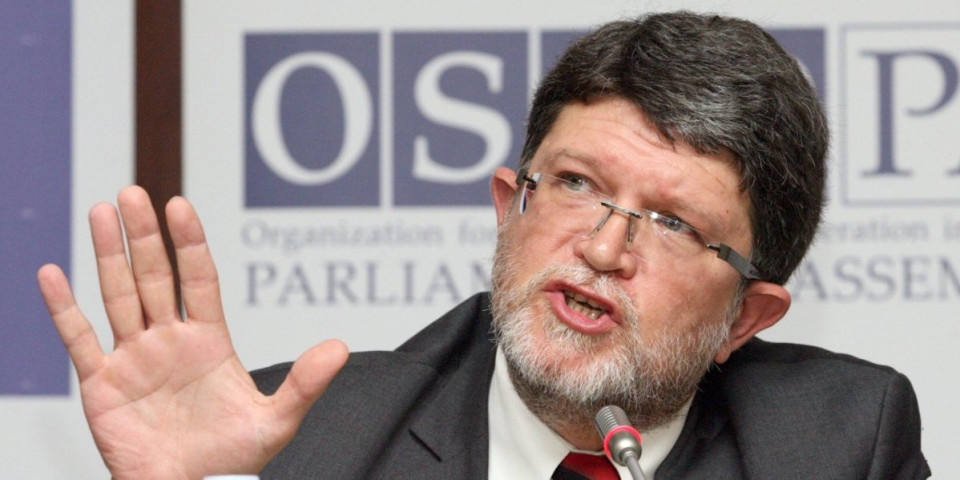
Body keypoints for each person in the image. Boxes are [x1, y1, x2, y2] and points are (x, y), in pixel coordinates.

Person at [38, 10, 929, 480]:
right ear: (510, 208)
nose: (603, 249)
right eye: (574, 184)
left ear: (746, 317)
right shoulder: (296, 443)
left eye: (672, 223)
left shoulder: (839, 444)